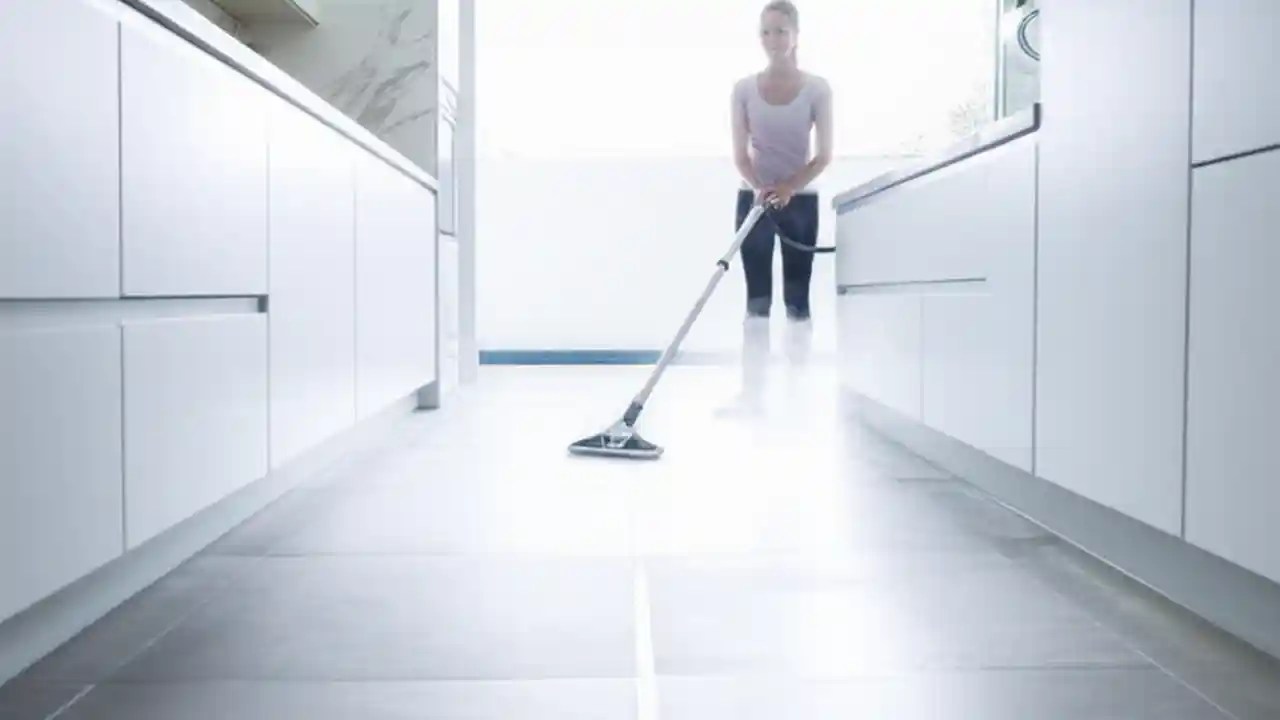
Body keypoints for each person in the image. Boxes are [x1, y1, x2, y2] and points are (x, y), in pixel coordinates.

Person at [722, 0, 833, 413]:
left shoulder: (817, 89)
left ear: (796, 35)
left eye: (781, 31)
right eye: (766, 32)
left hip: (800, 201)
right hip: (752, 199)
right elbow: (740, 155)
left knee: (797, 297)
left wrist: (787, 187)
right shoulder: (743, 90)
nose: (773, 40)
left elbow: (823, 155)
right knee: (757, 298)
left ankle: (797, 395)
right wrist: (762, 188)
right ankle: (752, 394)